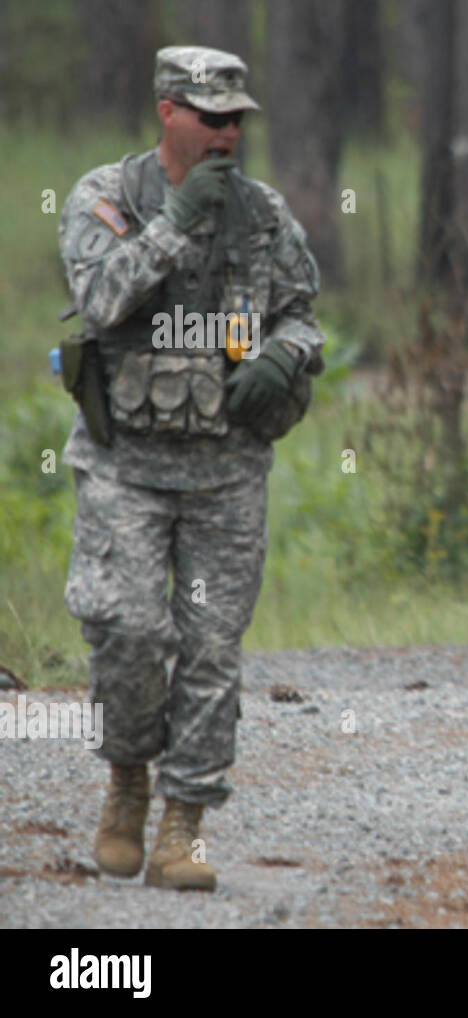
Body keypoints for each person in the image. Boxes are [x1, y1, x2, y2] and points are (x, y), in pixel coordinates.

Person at [58, 45, 324, 891]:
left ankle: (185, 826)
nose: (226, 134)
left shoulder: (264, 216)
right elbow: (99, 302)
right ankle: (128, 781)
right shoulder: (107, 199)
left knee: (210, 649)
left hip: (225, 473)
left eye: (237, 119)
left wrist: (283, 356)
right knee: (129, 630)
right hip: (124, 466)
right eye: (210, 117)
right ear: (168, 111)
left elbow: (302, 317)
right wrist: (174, 221)